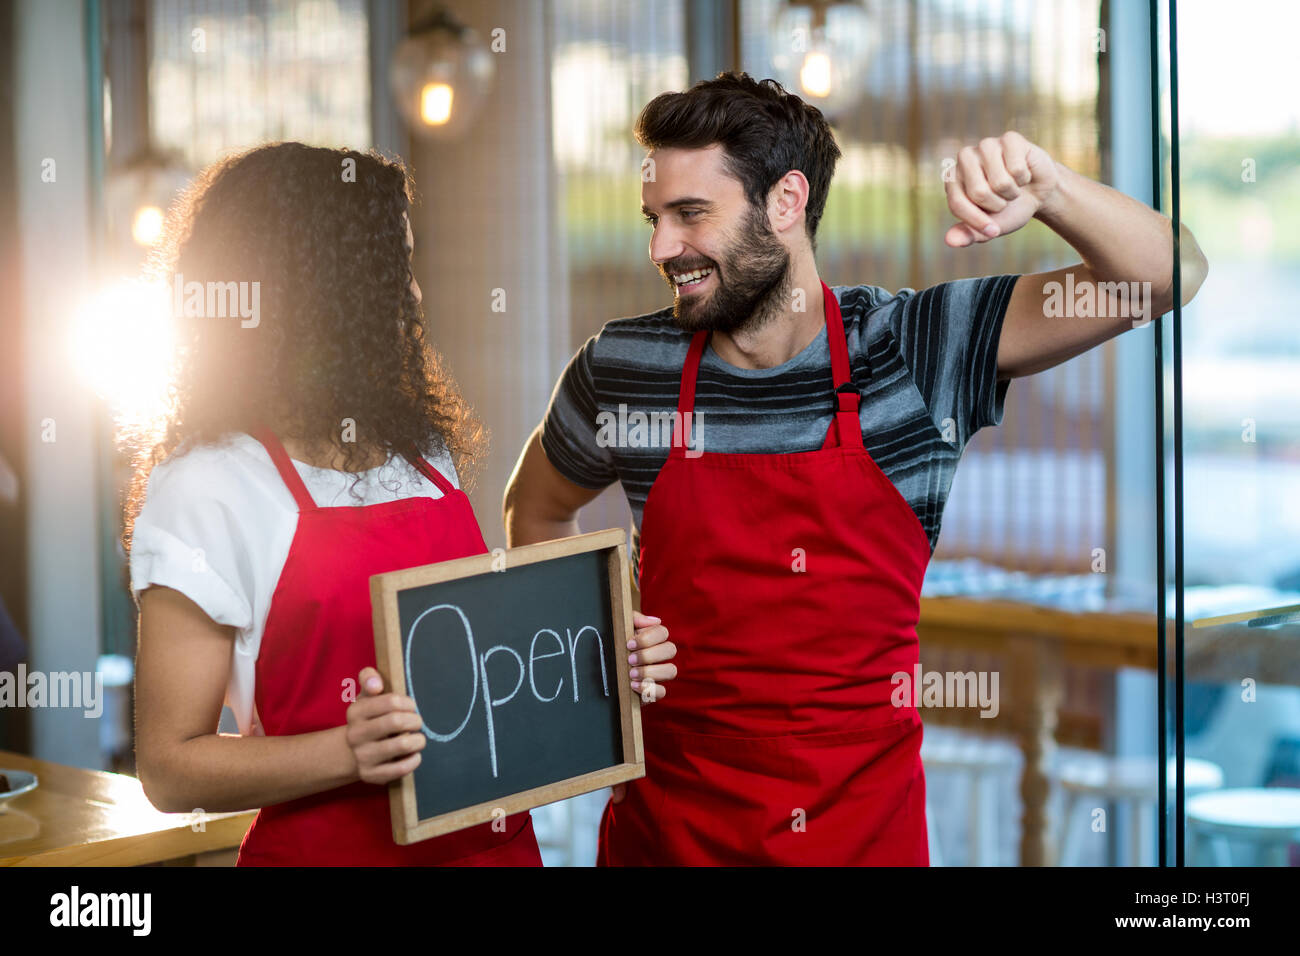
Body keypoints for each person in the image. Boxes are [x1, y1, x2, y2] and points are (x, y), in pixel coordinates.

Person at [503, 72, 1208, 865]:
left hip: (860, 834)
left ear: (785, 200)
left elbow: (1168, 274)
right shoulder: (626, 366)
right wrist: (594, 640)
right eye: (654, 218)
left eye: (690, 215)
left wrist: (1048, 187)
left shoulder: (916, 348)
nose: (660, 248)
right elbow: (533, 511)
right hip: (669, 833)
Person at [128, 142, 676, 865]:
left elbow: (486, 679)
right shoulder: (208, 487)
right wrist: (345, 751)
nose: (415, 297)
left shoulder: (422, 458)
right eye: (394, 270)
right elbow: (170, 767)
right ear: (317, 287)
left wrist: (606, 663)